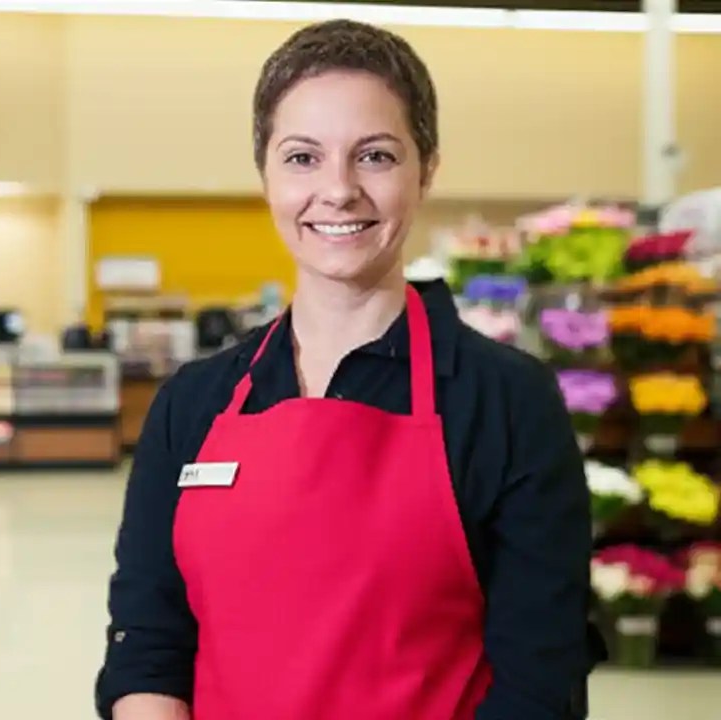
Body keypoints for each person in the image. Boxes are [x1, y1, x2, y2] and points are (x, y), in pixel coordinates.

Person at [95, 19, 596, 720]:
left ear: (427, 170)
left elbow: (540, 682)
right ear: (265, 175)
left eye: (376, 156)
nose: (338, 190)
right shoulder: (192, 403)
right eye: (302, 157)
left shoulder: (507, 401)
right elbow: (149, 643)